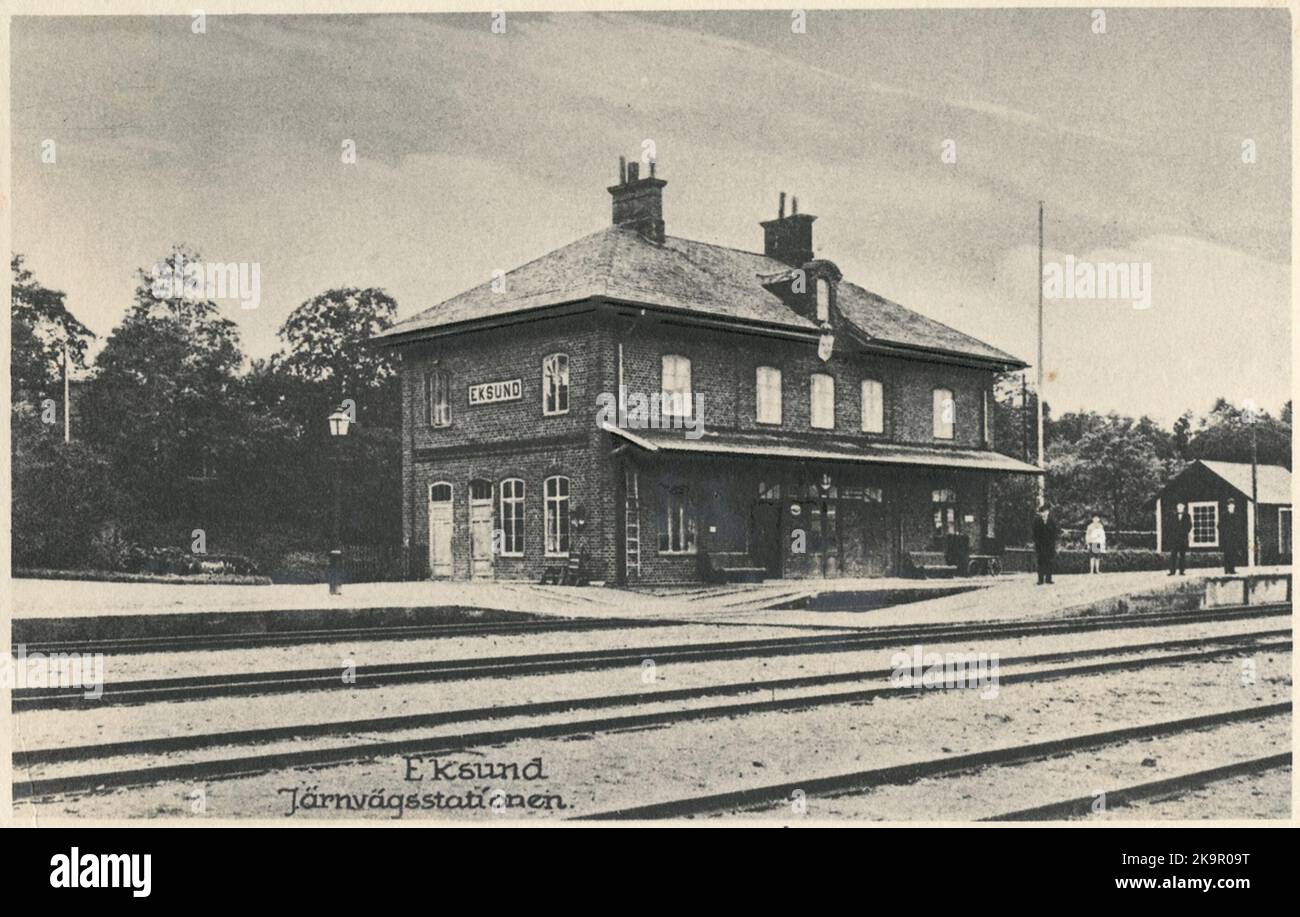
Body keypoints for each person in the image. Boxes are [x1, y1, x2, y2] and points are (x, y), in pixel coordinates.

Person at [1032, 504, 1059, 585]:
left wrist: (1054, 542)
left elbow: (1055, 532)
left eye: (1046, 512)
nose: (1044, 513)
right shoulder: (1037, 520)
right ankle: (1040, 579)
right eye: (1042, 512)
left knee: (1049, 561)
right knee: (1041, 562)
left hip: (1050, 545)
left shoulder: (1052, 521)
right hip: (1040, 545)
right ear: (1040, 513)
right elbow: (1034, 532)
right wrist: (1036, 542)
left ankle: (1048, 578)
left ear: (1048, 512)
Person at [1168, 501, 1192, 576]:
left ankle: (1182, 571)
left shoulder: (1187, 516)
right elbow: (1170, 526)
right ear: (1177, 508)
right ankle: (1172, 571)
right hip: (1175, 539)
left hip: (1183, 538)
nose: (1180, 509)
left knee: (1182, 555)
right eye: (1179, 507)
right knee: (1173, 555)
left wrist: (1185, 532)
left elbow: (1189, 525)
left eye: (1181, 507)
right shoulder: (1173, 516)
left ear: (1183, 508)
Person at [1222, 497, 1240, 574]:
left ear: (1234, 506)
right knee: (1227, 553)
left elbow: (1238, 526)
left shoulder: (1236, 515)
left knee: (1233, 553)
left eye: (1232, 505)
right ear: (1227, 506)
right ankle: (1226, 569)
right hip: (1226, 538)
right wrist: (1224, 533)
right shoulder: (1224, 515)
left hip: (1234, 538)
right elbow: (1220, 525)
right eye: (1229, 505)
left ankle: (1232, 569)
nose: (1231, 506)